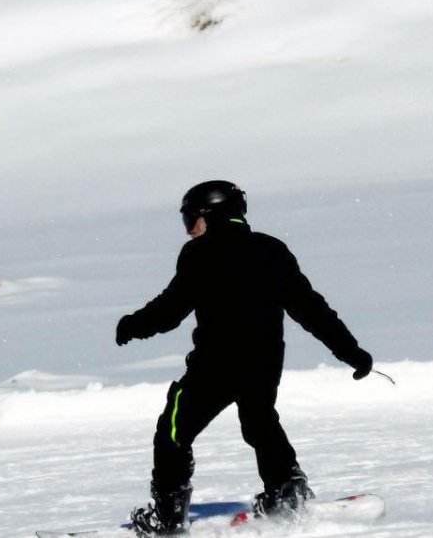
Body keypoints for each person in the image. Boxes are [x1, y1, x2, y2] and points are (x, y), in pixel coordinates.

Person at [116, 180, 374, 535]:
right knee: (260, 423)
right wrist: (351, 351)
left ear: (210, 214)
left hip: (216, 365)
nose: (189, 229)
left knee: (173, 431)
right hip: (264, 362)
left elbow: (170, 310)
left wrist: (131, 325)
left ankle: (168, 517)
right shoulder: (272, 250)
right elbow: (311, 309)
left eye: (191, 218)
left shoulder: (198, 253)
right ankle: (286, 492)